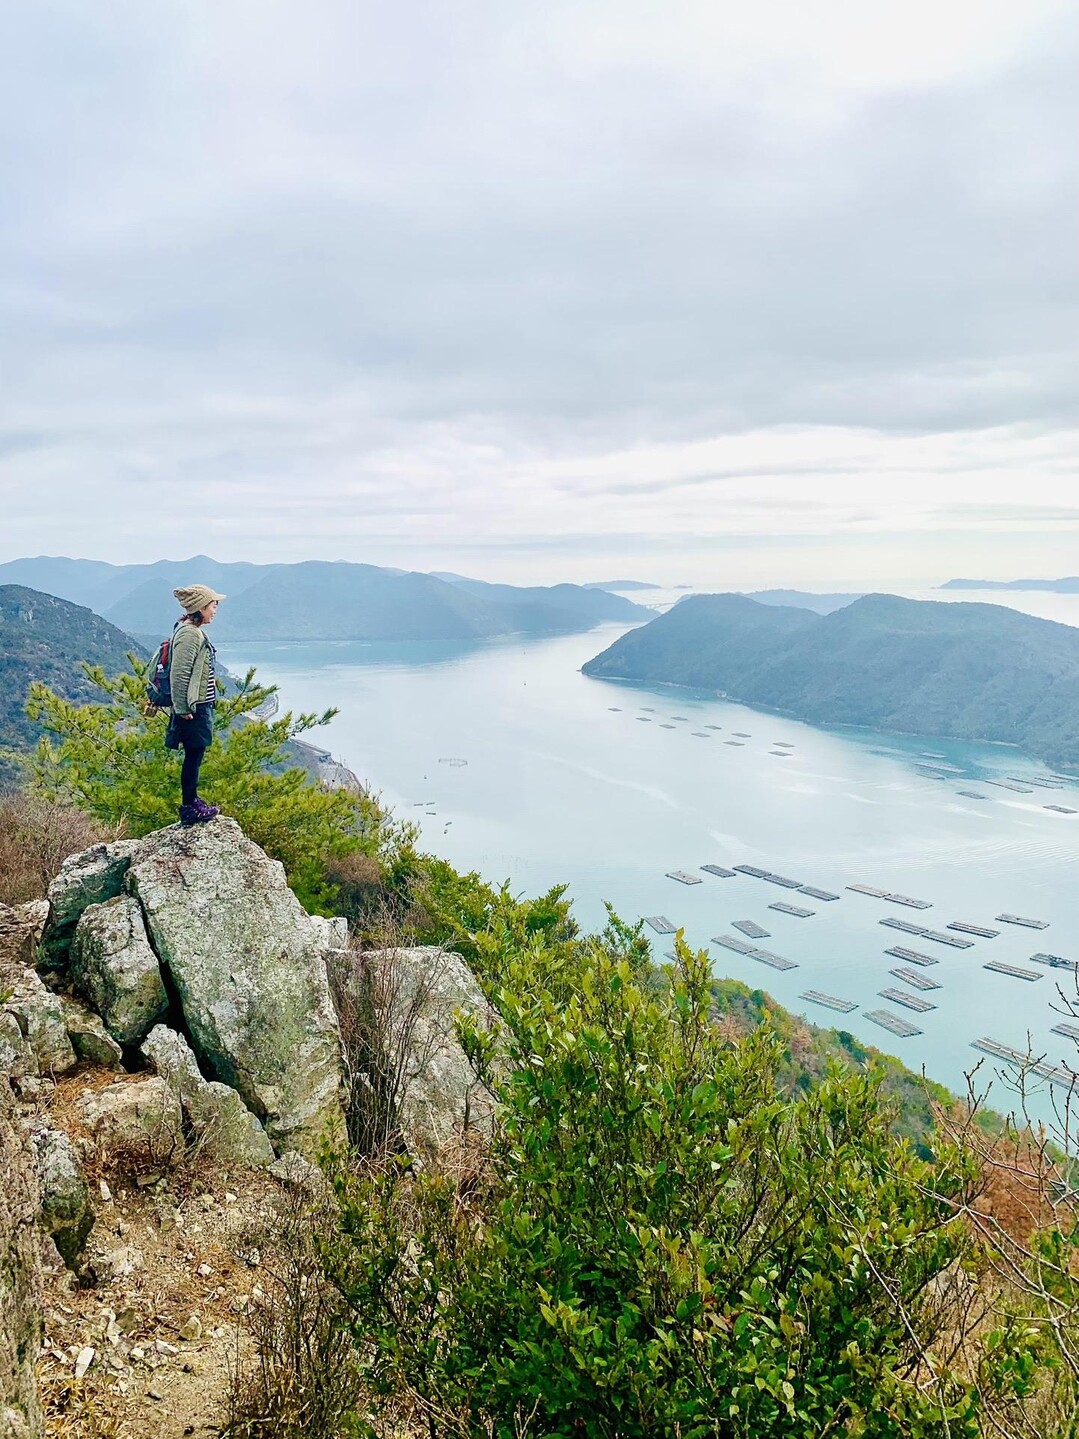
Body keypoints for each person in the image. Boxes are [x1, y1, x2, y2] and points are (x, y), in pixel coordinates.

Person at [165, 584, 225, 825]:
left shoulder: (190, 631)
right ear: (200, 607)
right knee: (194, 756)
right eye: (213, 605)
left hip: (197, 706)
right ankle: (190, 806)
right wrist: (183, 708)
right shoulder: (190, 634)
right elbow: (179, 674)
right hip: (193, 708)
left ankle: (192, 802)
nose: (215, 610)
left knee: (195, 755)